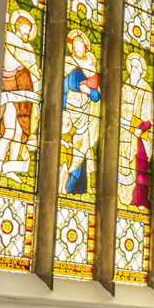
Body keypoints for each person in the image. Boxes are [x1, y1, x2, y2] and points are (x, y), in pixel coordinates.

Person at [0, 8, 42, 184]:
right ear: (17, 27)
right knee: (8, 131)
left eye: (29, 29)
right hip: (9, 91)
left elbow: (31, 70)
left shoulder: (28, 49)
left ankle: (10, 168)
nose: (27, 31)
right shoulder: (10, 39)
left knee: (18, 132)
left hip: (23, 95)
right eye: (24, 28)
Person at [59, 29, 100, 195]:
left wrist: (88, 92)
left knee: (80, 154)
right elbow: (62, 90)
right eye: (75, 45)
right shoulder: (68, 66)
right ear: (72, 49)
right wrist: (63, 112)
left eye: (81, 45)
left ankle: (77, 189)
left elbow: (97, 95)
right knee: (67, 156)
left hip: (86, 117)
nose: (78, 48)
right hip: (68, 117)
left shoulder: (90, 70)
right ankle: (64, 187)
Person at [118, 51, 153, 209]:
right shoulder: (125, 86)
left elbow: (149, 117)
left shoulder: (146, 89)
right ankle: (125, 197)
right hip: (124, 130)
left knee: (139, 168)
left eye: (136, 67)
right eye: (131, 66)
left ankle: (140, 199)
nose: (133, 69)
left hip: (140, 134)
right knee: (122, 164)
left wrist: (140, 128)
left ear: (141, 70)